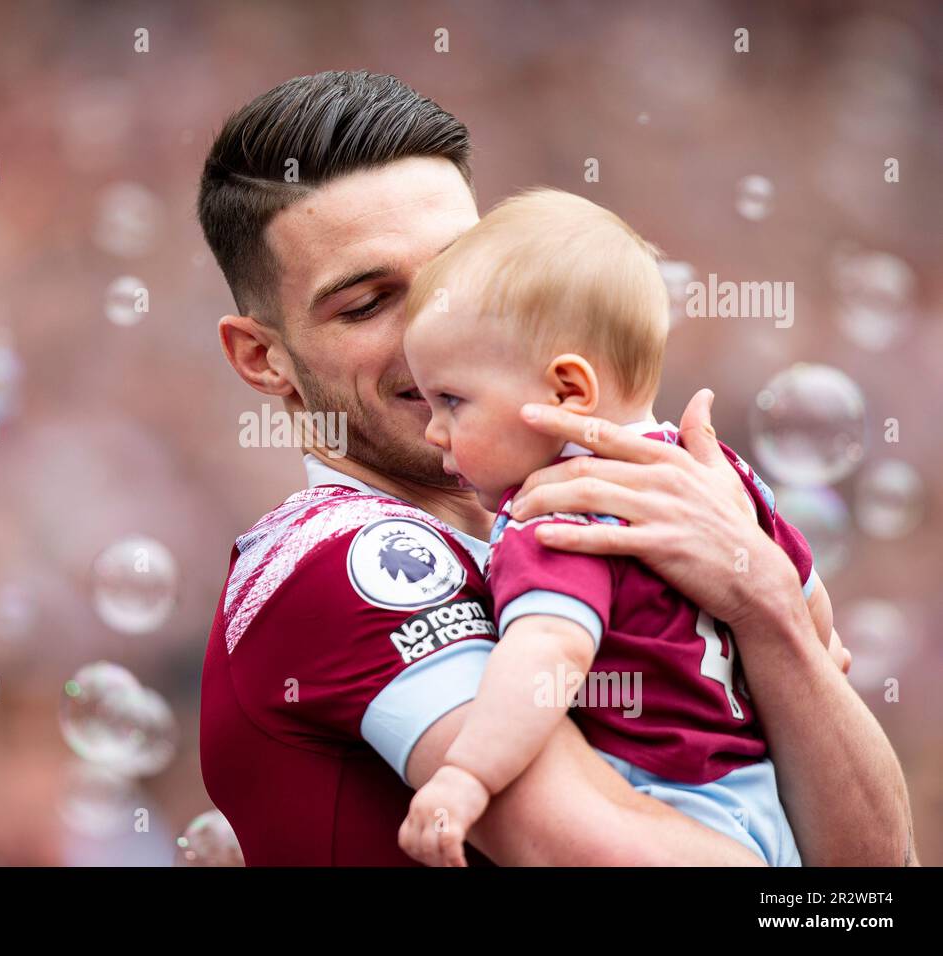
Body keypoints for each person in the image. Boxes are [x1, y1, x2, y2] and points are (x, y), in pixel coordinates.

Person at [195, 70, 915, 866]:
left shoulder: (655, 502)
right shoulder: (346, 561)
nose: (427, 332)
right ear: (262, 358)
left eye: (456, 273)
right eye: (366, 304)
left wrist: (765, 602)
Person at [397, 187, 842, 867]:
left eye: (452, 400)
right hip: (769, 806)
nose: (432, 431)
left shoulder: (559, 511)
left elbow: (547, 657)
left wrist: (465, 775)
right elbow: (814, 627)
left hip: (667, 804)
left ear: (568, 391)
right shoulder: (716, 472)